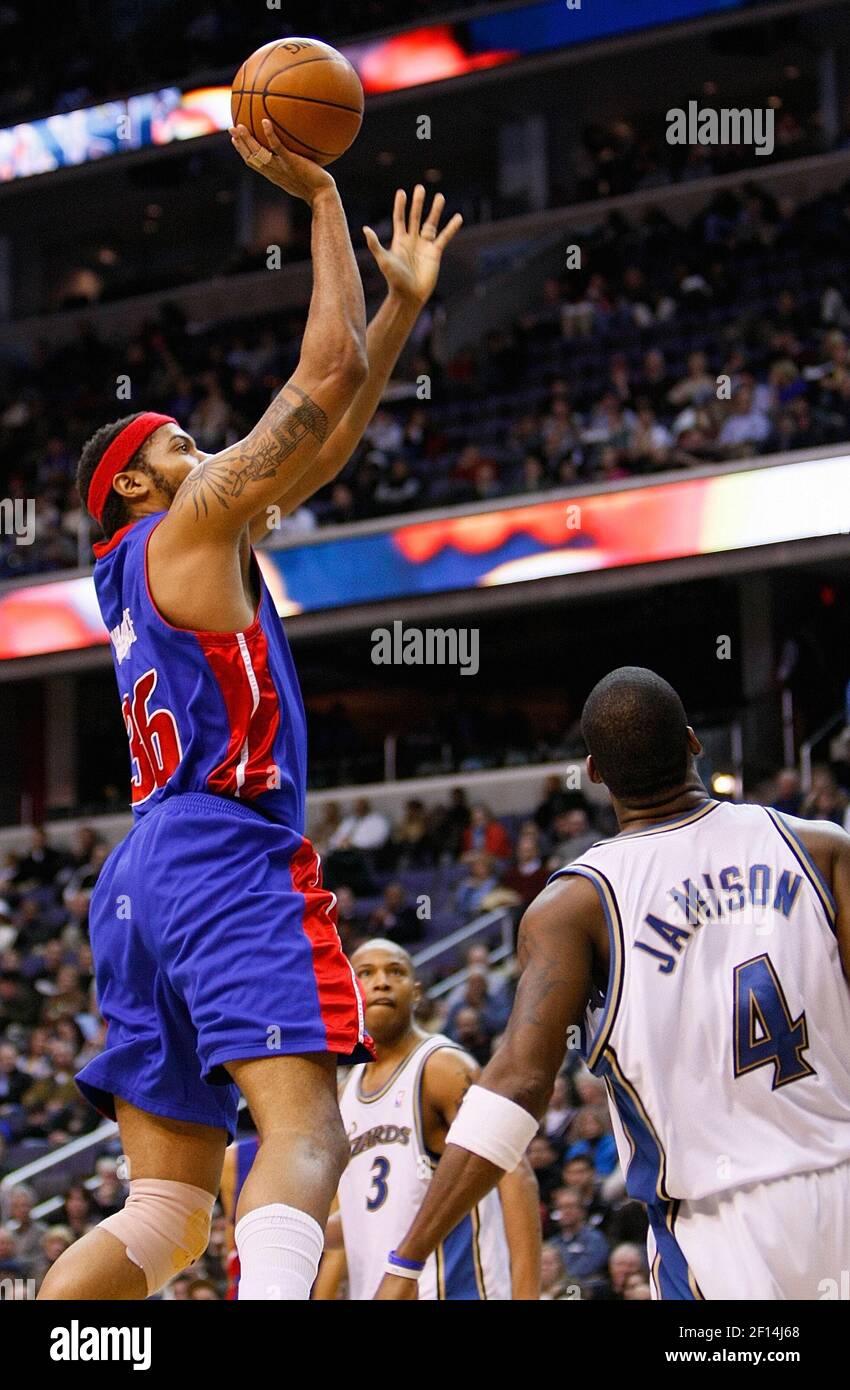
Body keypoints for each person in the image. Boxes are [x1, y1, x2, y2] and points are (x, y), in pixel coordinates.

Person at [39, 120, 462, 1303]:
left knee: (168, 1209)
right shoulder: (187, 523)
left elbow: (316, 440)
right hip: (226, 845)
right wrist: (324, 201)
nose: (206, 445)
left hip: (136, 879)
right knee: (306, 1133)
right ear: (133, 479)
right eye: (180, 440)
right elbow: (311, 387)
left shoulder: (155, 558)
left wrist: (400, 311)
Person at [375, 666, 850, 1301]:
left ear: (594, 773)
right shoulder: (819, 848)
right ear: (693, 743)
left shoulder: (575, 905)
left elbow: (517, 1082)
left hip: (717, 1233)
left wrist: (407, 1258)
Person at [319, 939, 541, 1299]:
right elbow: (374, 1214)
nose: (382, 982)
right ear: (348, 991)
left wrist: (527, 1294)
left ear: (417, 992)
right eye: (366, 973)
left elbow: (516, 1176)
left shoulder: (443, 1067)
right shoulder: (345, 1095)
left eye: (396, 972)